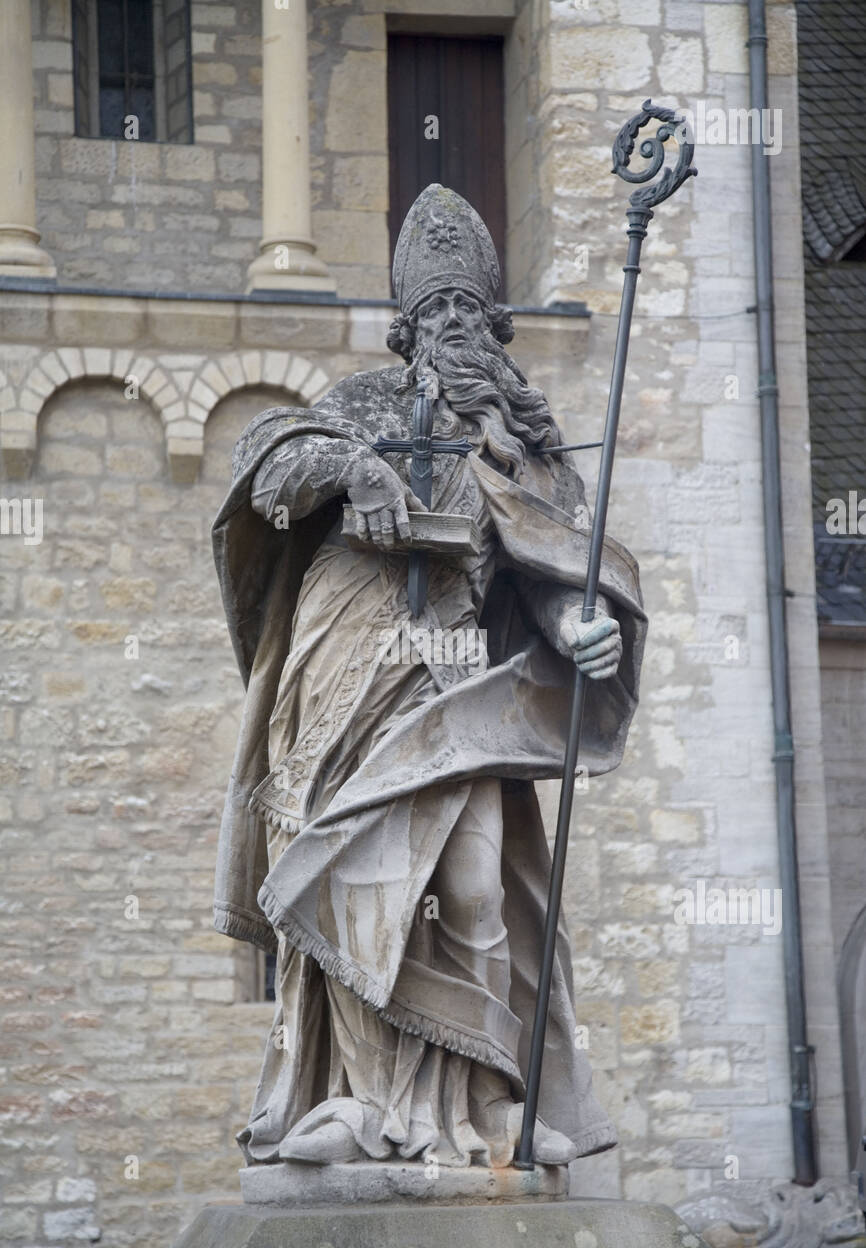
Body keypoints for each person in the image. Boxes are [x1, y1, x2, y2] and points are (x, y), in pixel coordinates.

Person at [212, 185, 647, 1169]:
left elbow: (547, 563)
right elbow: (266, 466)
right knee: (355, 878)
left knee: (476, 883)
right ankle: (363, 1102)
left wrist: (581, 623)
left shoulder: (523, 448)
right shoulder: (363, 404)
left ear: (494, 326)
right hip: (340, 679)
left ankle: (486, 1104)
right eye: (433, 313)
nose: (453, 328)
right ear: (408, 330)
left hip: (456, 686)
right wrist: (355, 470)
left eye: (468, 312)